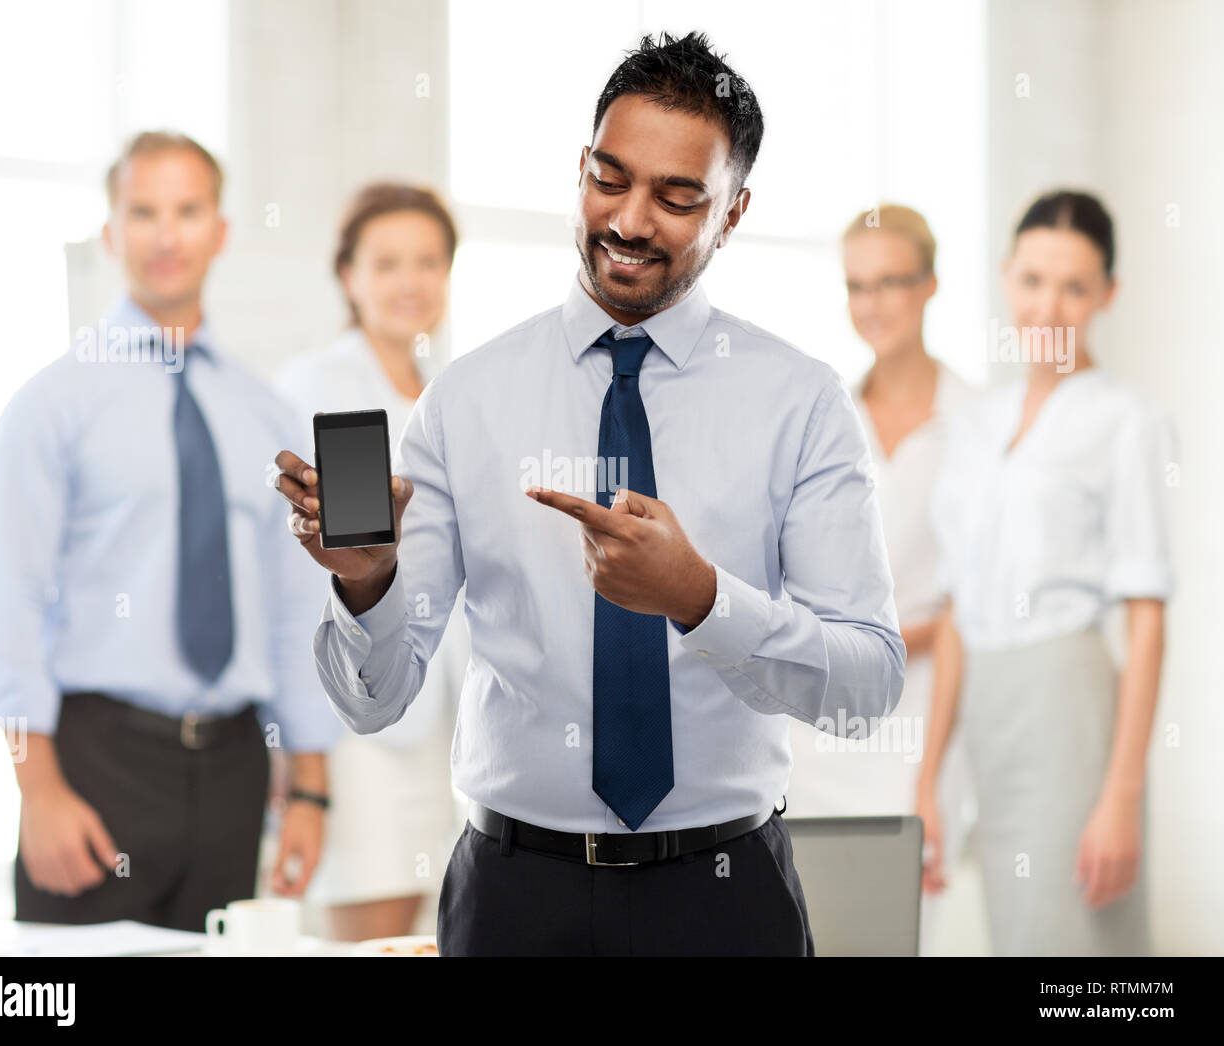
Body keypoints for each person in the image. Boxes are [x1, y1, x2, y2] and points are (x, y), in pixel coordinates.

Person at [276, 31, 906, 957]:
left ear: (731, 213)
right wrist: (366, 586)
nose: (631, 220)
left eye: (678, 196)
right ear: (581, 170)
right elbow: (375, 700)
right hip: (513, 897)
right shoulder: (467, 399)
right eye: (609, 179)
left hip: (725, 896)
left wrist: (701, 601)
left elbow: (868, 683)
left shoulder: (799, 401)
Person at [0, 131, 342, 933]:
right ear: (111, 232)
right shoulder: (54, 403)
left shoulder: (267, 416)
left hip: (236, 770)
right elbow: (9, 606)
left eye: (187, 210)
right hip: (97, 764)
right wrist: (36, 792)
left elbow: (291, 609)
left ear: (220, 230)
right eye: (143, 211)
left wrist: (309, 789)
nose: (166, 235)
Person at [920, 190, 1175, 956]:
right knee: (1018, 935)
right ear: (1006, 278)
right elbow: (961, 608)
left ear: (1107, 295)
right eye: (1033, 280)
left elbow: (1148, 614)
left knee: (1073, 949)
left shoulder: (1127, 422)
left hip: (1071, 713)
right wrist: (929, 778)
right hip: (989, 720)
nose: (1049, 306)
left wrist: (1122, 795)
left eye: (1075, 286)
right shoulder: (975, 426)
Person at [784, 204, 977, 956]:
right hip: (822, 724)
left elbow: (969, 606)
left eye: (892, 281)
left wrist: (929, 776)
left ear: (930, 284)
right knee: (816, 929)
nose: (873, 304)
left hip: (924, 717)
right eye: (857, 285)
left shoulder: (976, 420)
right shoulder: (822, 416)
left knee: (902, 929)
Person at [276, 183, 468, 941]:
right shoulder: (314, 387)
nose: (411, 281)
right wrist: (303, 770)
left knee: (434, 934)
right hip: (359, 730)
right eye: (386, 262)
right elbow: (294, 581)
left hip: (447, 717)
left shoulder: (449, 390)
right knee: (374, 935)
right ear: (348, 276)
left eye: (428, 261)